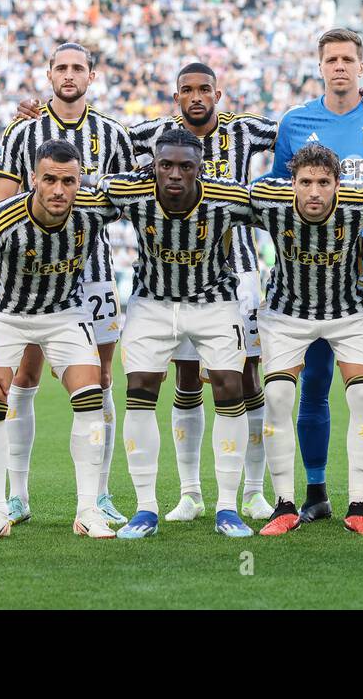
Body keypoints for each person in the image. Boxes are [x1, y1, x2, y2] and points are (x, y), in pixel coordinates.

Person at [12, 61, 363, 524]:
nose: (196, 97)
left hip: (233, 280)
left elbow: (300, 131)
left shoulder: (242, 139)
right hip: (159, 292)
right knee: (179, 384)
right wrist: (38, 115)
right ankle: (181, 497)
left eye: (204, 89)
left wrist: (355, 100)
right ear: (175, 99)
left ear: (217, 94)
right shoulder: (145, 144)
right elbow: (99, 155)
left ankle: (249, 496)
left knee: (245, 384)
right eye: (186, 90)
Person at [265, 28, 363, 524]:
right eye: (332, 59)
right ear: (320, 66)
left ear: (362, 66)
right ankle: (315, 490)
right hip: (309, 278)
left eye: (349, 59)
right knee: (314, 383)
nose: (341, 67)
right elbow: (279, 195)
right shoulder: (296, 122)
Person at [0, 42, 135, 527]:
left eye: (78, 68)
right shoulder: (23, 129)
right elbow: (2, 203)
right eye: (62, 68)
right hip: (32, 276)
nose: (69, 75)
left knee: (101, 381)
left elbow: (127, 199)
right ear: (48, 73)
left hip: (93, 272)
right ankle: (17, 494)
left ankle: (100, 493)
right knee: (23, 380)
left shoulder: (113, 133)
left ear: (91, 76)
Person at [98, 128, 260, 539]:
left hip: (215, 302)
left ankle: (227, 506)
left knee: (230, 386)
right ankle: (145, 508)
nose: (173, 174)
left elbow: (278, 206)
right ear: (153, 166)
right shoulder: (132, 192)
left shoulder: (227, 197)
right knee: (140, 390)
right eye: (165, 165)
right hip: (152, 304)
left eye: (184, 166)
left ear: (199, 169)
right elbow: (89, 185)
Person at [0, 139, 121, 541]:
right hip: (7, 315)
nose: (58, 190)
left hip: (65, 314)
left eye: (68, 181)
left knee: (90, 396)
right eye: (49, 179)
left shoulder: (93, 210)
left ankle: (88, 509)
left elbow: (141, 193)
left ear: (79, 181)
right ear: (33, 179)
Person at [248, 144, 363, 537]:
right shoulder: (270, 202)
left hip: (349, 311)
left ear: (337, 185)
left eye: (323, 182)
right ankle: (284, 505)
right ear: (291, 184)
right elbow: (227, 200)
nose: (314, 191)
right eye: (305, 182)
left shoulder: (361, 202)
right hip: (286, 313)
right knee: (277, 398)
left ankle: (360, 505)